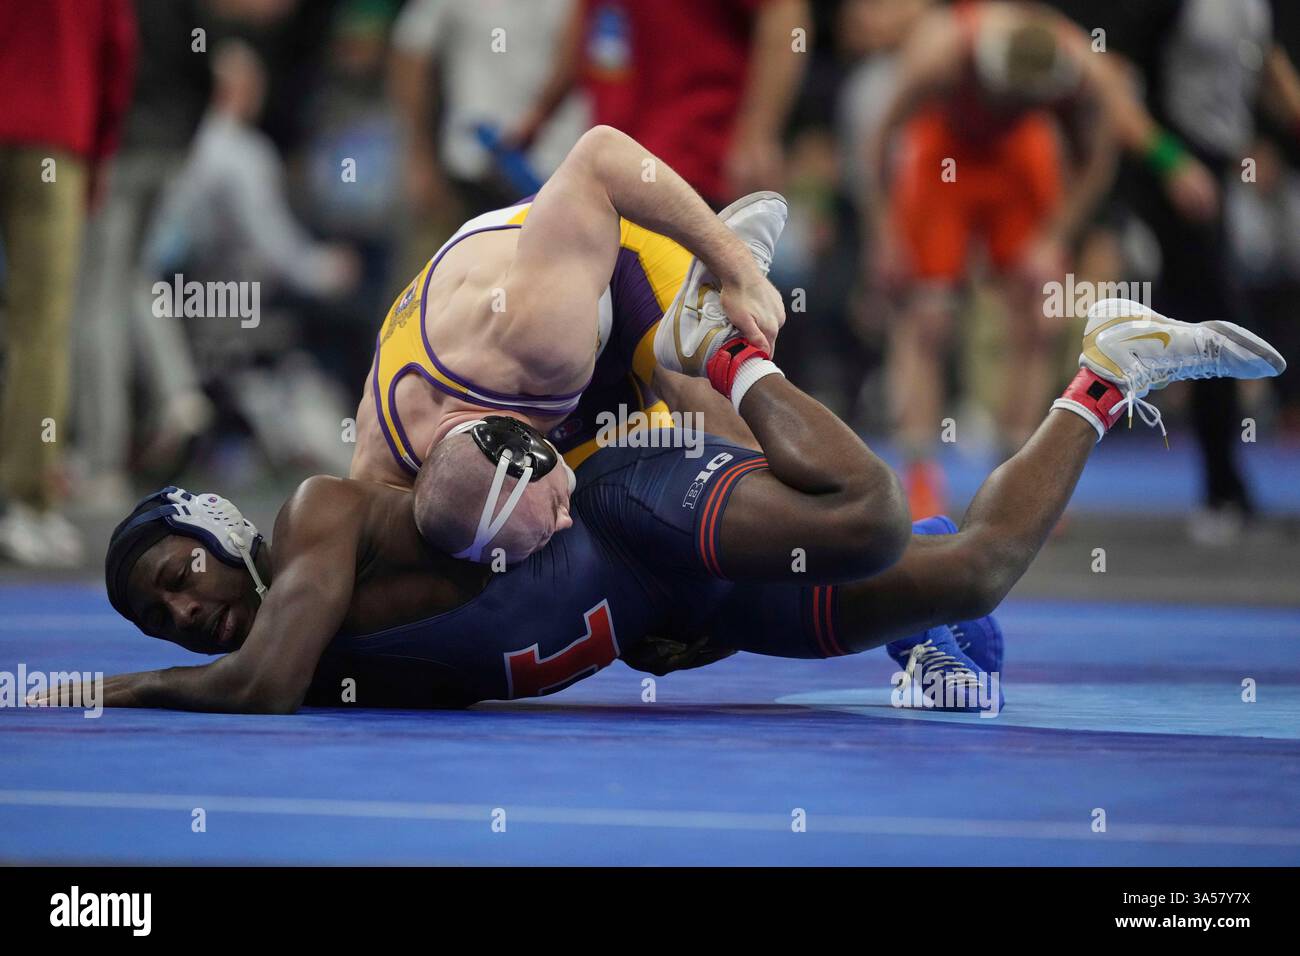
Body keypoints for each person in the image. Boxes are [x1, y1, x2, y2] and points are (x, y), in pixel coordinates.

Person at [59, 297, 1284, 715]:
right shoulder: (318, 658)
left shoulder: (318, 520)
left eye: (174, 574)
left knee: (861, 512)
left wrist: (79, 687)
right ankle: (1104, 371)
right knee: (967, 572)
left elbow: (264, 683)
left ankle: (731, 344)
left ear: (220, 533)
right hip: (657, 601)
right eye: (154, 620)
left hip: (625, 508)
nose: (181, 612)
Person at [348, 124, 788, 564]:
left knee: (733, 455)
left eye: (553, 512)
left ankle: (701, 312)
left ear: (530, 451)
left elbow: (600, 155)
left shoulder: (536, 337)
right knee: (631, 535)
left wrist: (737, 272)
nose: (563, 519)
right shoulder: (379, 471)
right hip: (534, 342)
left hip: (604, 256)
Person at [864, 0, 1126, 518]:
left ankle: (1021, 477)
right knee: (928, 318)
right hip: (945, 157)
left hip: (1017, 161)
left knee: (1039, 317)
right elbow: (880, 138)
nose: (1005, 106)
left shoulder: (1082, 66)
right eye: (1002, 97)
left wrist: (1053, 237)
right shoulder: (942, 51)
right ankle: (919, 476)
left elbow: (1101, 156)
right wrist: (886, 233)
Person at [0, 0, 136, 567]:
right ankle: (24, 504)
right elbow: (118, 49)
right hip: (53, 133)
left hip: (43, 123)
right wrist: (100, 151)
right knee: (40, 329)